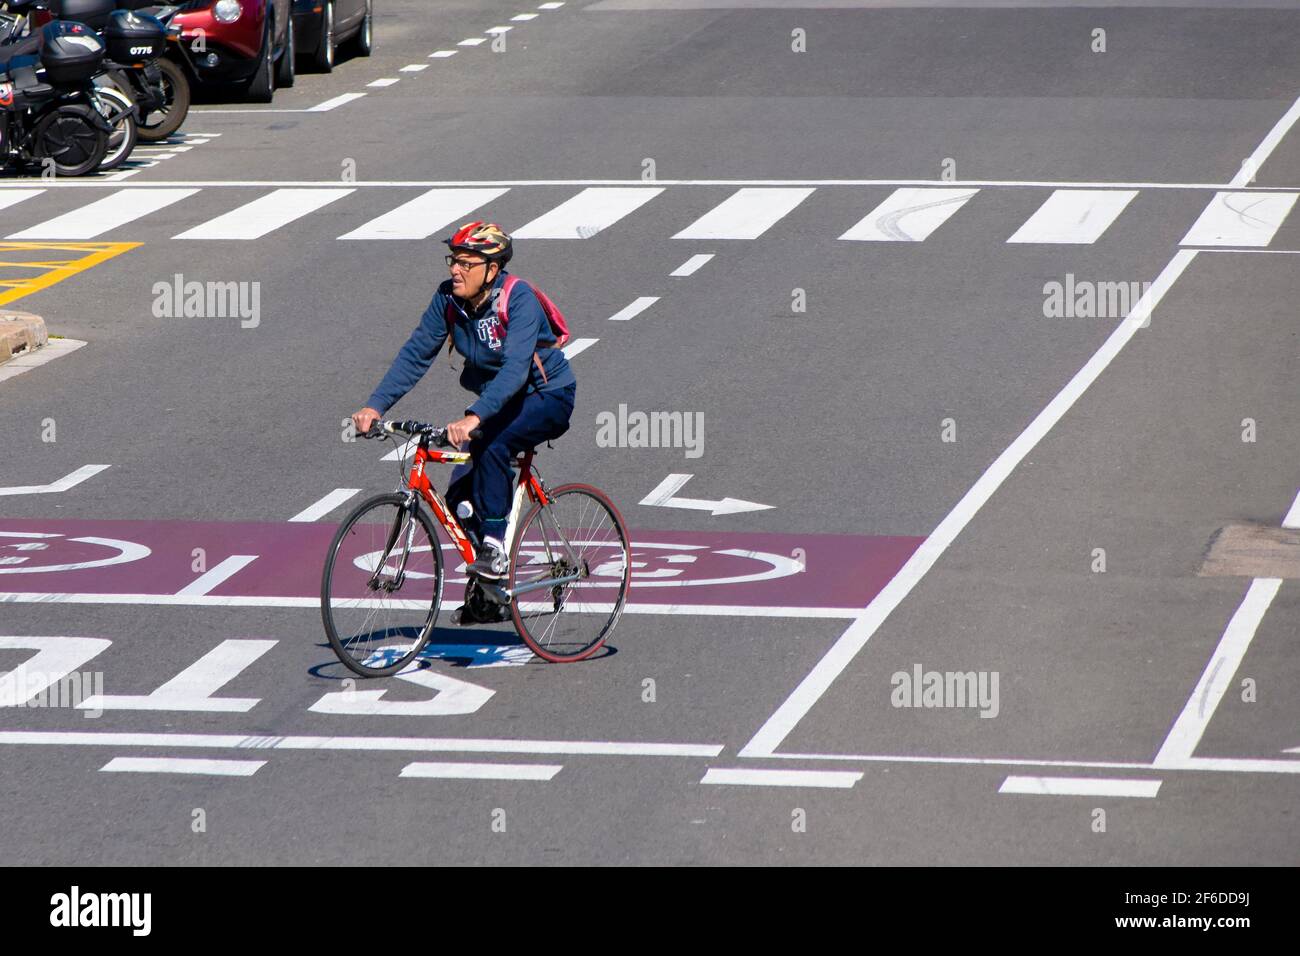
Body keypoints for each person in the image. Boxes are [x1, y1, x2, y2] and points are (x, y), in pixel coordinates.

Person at [351, 222, 576, 605]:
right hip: (499, 402)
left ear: (491, 269)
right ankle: (488, 598)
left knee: (491, 442)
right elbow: (416, 353)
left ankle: (494, 549)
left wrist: (475, 417)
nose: (455, 270)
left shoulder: (517, 298)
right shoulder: (449, 300)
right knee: (458, 497)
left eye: (466, 263)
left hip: (547, 396)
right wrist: (376, 405)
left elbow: (515, 369)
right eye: (453, 261)